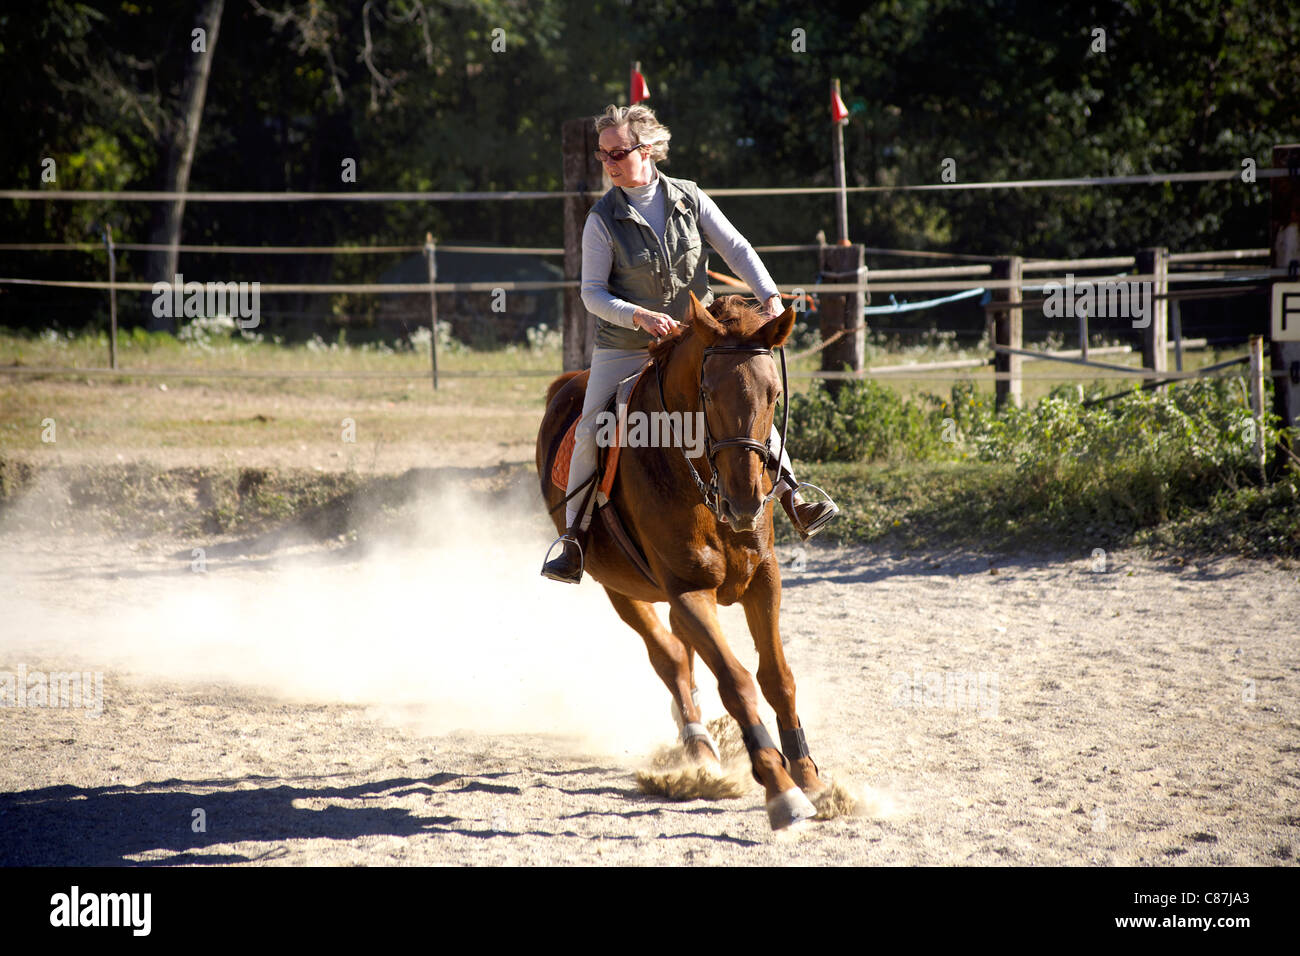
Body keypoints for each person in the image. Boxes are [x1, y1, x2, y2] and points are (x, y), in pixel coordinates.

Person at [542, 104, 837, 584]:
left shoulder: (690, 197)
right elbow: (591, 293)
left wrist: (770, 298)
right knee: (593, 429)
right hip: (626, 344)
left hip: (700, 336)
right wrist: (636, 314)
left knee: (742, 398)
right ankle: (574, 538)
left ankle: (794, 496)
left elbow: (736, 248)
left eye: (618, 153)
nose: (610, 163)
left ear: (648, 149)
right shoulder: (601, 219)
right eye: (603, 155)